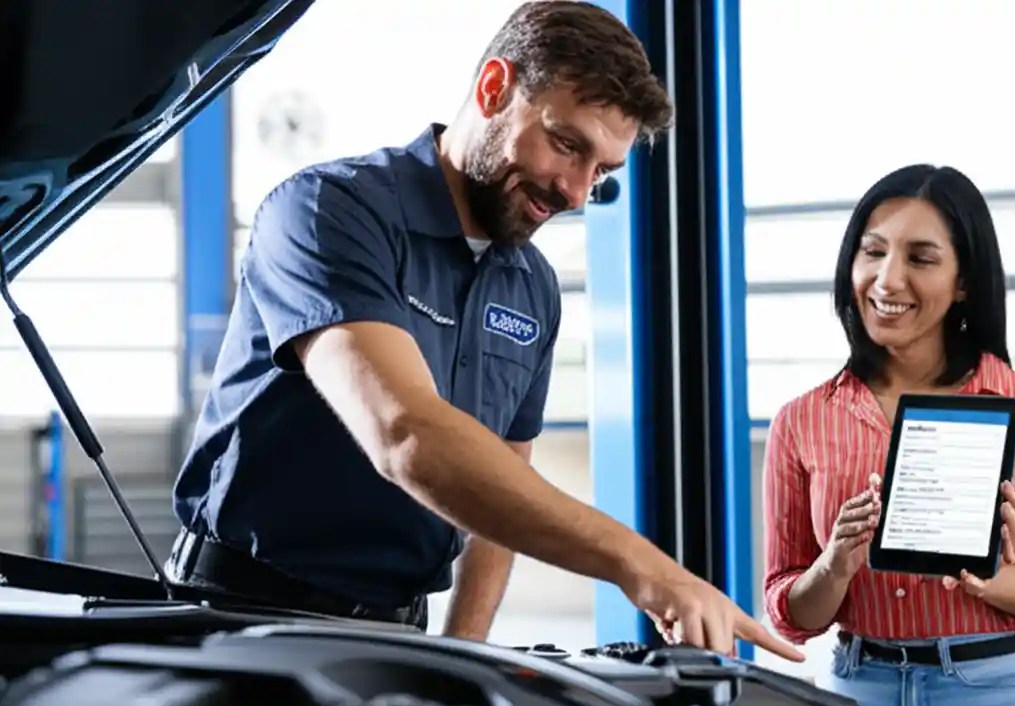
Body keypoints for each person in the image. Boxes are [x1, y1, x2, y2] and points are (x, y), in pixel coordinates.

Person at [166, 0, 801, 663]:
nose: (578, 192)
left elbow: (498, 493)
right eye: (566, 144)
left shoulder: (533, 288)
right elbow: (407, 436)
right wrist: (643, 566)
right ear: (495, 87)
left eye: (603, 171)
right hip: (242, 619)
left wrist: (463, 659)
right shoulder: (330, 212)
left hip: (394, 635)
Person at [761, 164, 1015, 706]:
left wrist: (991, 577)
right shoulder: (801, 421)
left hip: (995, 695)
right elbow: (789, 612)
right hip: (857, 690)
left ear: (963, 280)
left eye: (921, 258)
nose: (888, 280)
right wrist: (835, 565)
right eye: (873, 252)